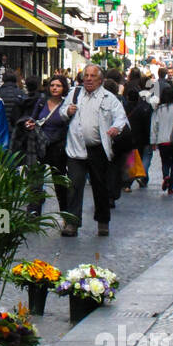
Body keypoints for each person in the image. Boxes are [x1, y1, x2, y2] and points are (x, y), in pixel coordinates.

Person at [62, 64, 128, 236]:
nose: (89, 79)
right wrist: (67, 111)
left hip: (98, 149)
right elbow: (62, 112)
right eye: (87, 76)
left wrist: (115, 128)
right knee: (74, 186)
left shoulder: (109, 98)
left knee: (100, 187)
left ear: (100, 80)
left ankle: (103, 221)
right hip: (76, 148)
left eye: (93, 76)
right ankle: (72, 223)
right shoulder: (74, 94)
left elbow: (121, 117)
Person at [23, 74, 72, 227]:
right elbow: (34, 118)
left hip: (57, 148)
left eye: (58, 85)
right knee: (35, 182)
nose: (54, 88)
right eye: (52, 85)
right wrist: (30, 124)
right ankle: (33, 214)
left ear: (63, 88)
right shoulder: (42, 102)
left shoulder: (66, 105)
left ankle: (65, 214)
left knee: (59, 183)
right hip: (40, 146)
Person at [150, 84, 173, 194]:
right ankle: (171, 187)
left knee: (165, 162)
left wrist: (153, 141)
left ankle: (166, 176)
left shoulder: (158, 110)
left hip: (163, 141)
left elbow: (154, 126)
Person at [124, 87, 153, 191]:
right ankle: (142, 176)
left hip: (130, 137)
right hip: (143, 138)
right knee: (142, 157)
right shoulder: (145, 108)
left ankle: (128, 183)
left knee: (131, 160)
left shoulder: (125, 107)